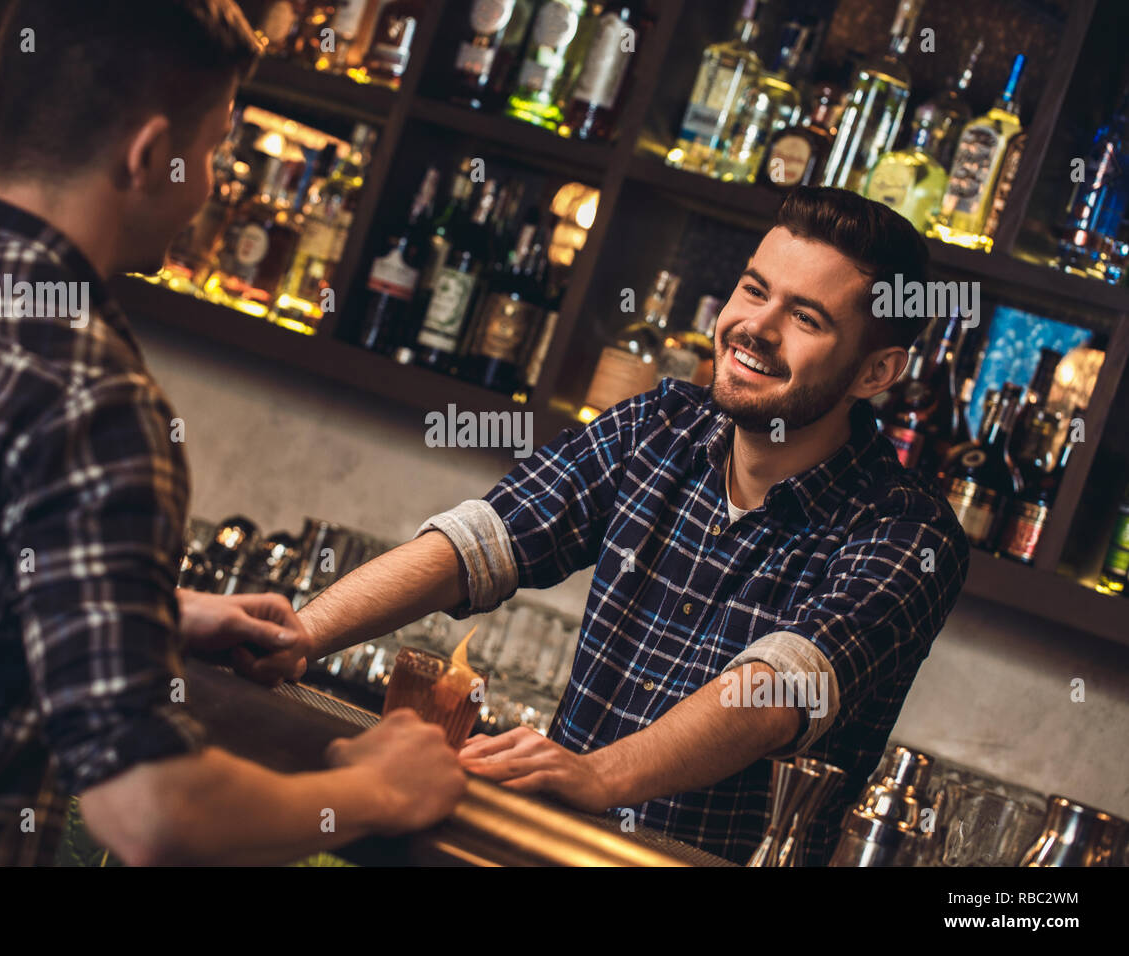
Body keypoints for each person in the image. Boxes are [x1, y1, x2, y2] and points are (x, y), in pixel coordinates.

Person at [0, 0, 463, 866]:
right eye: (211, 153)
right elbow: (149, 810)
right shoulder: (98, 400)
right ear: (149, 155)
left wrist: (143, 611)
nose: (210, 187)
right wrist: (379, 786)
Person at [287, 187, 971, 866]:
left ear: (878, 371)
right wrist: (297, 637)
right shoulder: (658, 428)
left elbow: (777, 690)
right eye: (754, 290)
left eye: (807, 319)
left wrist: (601, 777)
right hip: (551, 851)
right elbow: (479, 544)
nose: (756, 327)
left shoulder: (907, 533)